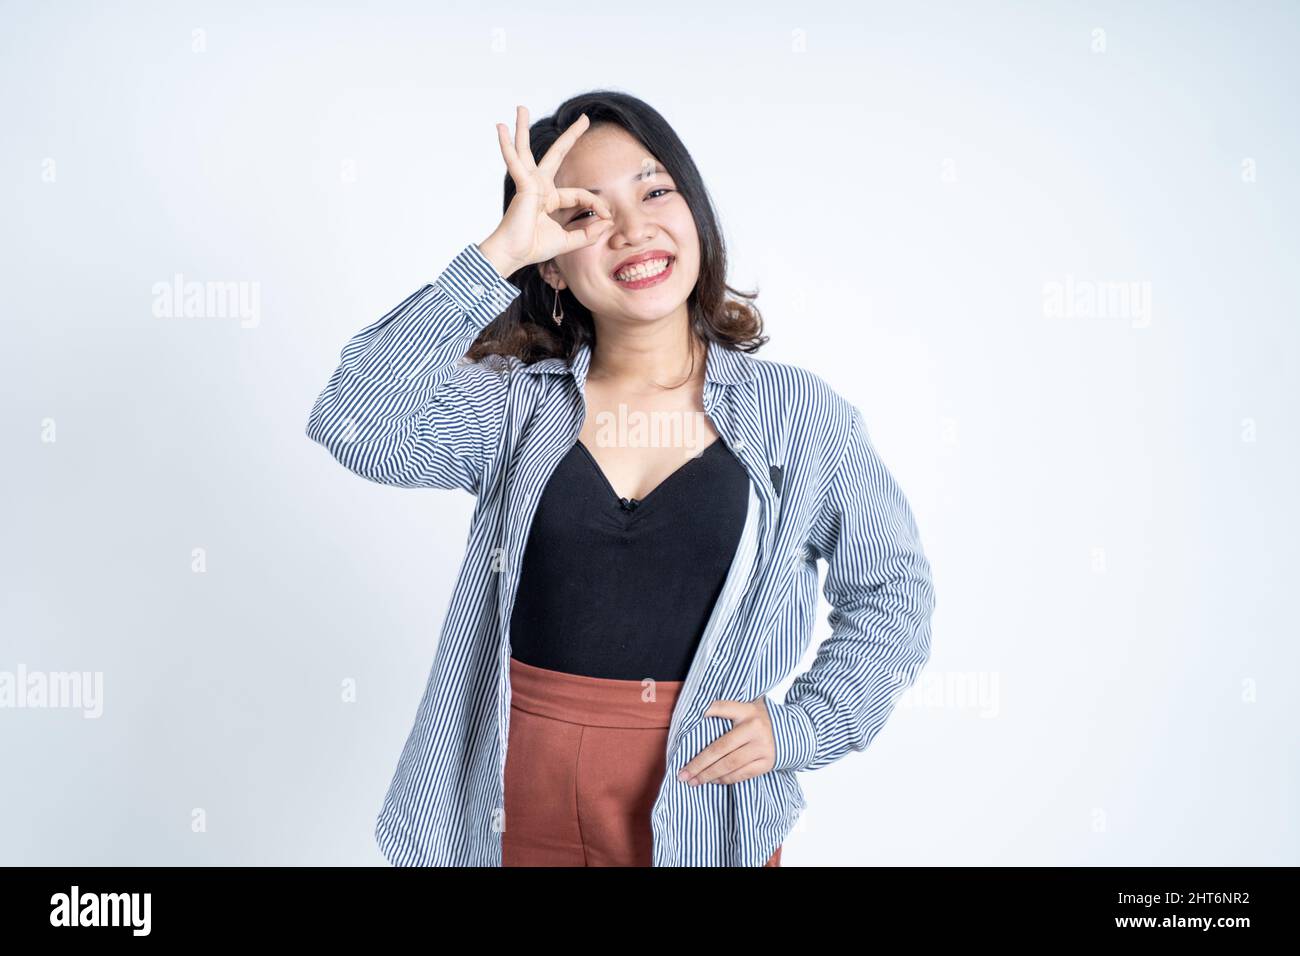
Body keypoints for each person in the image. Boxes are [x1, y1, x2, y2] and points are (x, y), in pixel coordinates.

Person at [305, 91, 936, 866]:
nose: (633, 230)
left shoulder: (801, 419)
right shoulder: (512, 407)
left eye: (654, 190)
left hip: (705, 802)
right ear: (555, 267)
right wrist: (497, 255)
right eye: (585, 214)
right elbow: (352, 420)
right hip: (513, 798)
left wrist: (804, 725)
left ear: (695, 213)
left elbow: (893, 592)